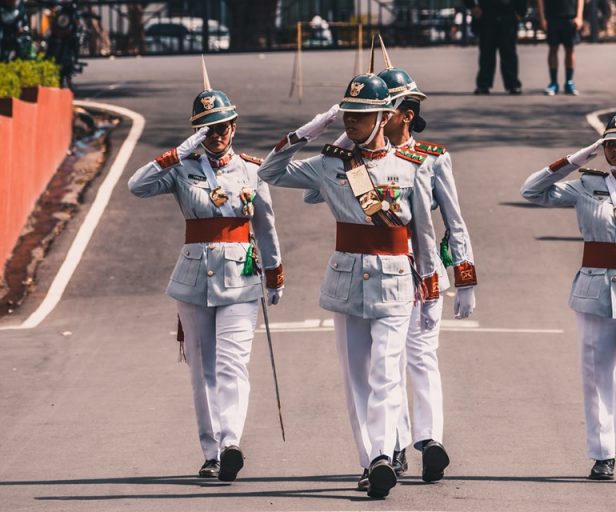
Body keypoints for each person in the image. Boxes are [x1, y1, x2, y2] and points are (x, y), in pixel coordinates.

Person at [257, 73, 442, 499]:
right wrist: (315, 127)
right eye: (348, 115)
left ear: (384, 117)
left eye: (361, 115)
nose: (353, 122)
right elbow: (270, 171)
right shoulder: (329, 163)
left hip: (396, 281)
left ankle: (382, 452)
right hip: (345, 282)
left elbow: (425, 235)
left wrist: (431, 292)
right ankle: (370, 461)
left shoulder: (413, 167)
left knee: (385, 372)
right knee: (355, 376)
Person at [304, 39, 477, 485]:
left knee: (419, 355)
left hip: (420, 271)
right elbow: (312, 189)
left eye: (406, 105)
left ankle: (429, 440)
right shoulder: (349, 157)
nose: (403, 112)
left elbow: (452, 223)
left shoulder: (430, 158)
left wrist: (464, 276)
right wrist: (342, 143)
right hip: (375, 270)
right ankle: (392, 446)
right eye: (397, 104)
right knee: (387, 362)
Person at [127, 60, 284, 482]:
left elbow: (265, 225)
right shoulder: (181, 168)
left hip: (240, 277)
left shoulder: (252, 168)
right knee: (202, 369)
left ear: (234, 126)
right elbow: (137, 186)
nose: (217, 135)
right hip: (193, 279)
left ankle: (231, 441)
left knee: (234, 363)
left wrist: (274, 273)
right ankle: (210, 450)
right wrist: (180, 150)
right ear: (198, 131)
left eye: (223, 126)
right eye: (208, 129)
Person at [520, 107, 616, 481]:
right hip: (594, 289)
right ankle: (602, 453)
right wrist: (579, 157)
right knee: (595, 373)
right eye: (611, 145)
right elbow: (530, 191)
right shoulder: (585, 184)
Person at [464, 0, 528, 95]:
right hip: (486, 13)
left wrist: (521, 12)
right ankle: (483, 84)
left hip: (508, 12)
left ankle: (513, 84)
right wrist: (472, 6)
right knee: (486, 51)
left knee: (509, 51)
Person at [537, 0, 584, 95]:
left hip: (570, 16)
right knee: (553, 48)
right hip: (552, 17)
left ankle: (569, 82)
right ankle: (553, 83)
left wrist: (579, 17)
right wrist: (542, 18)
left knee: (570, 49)